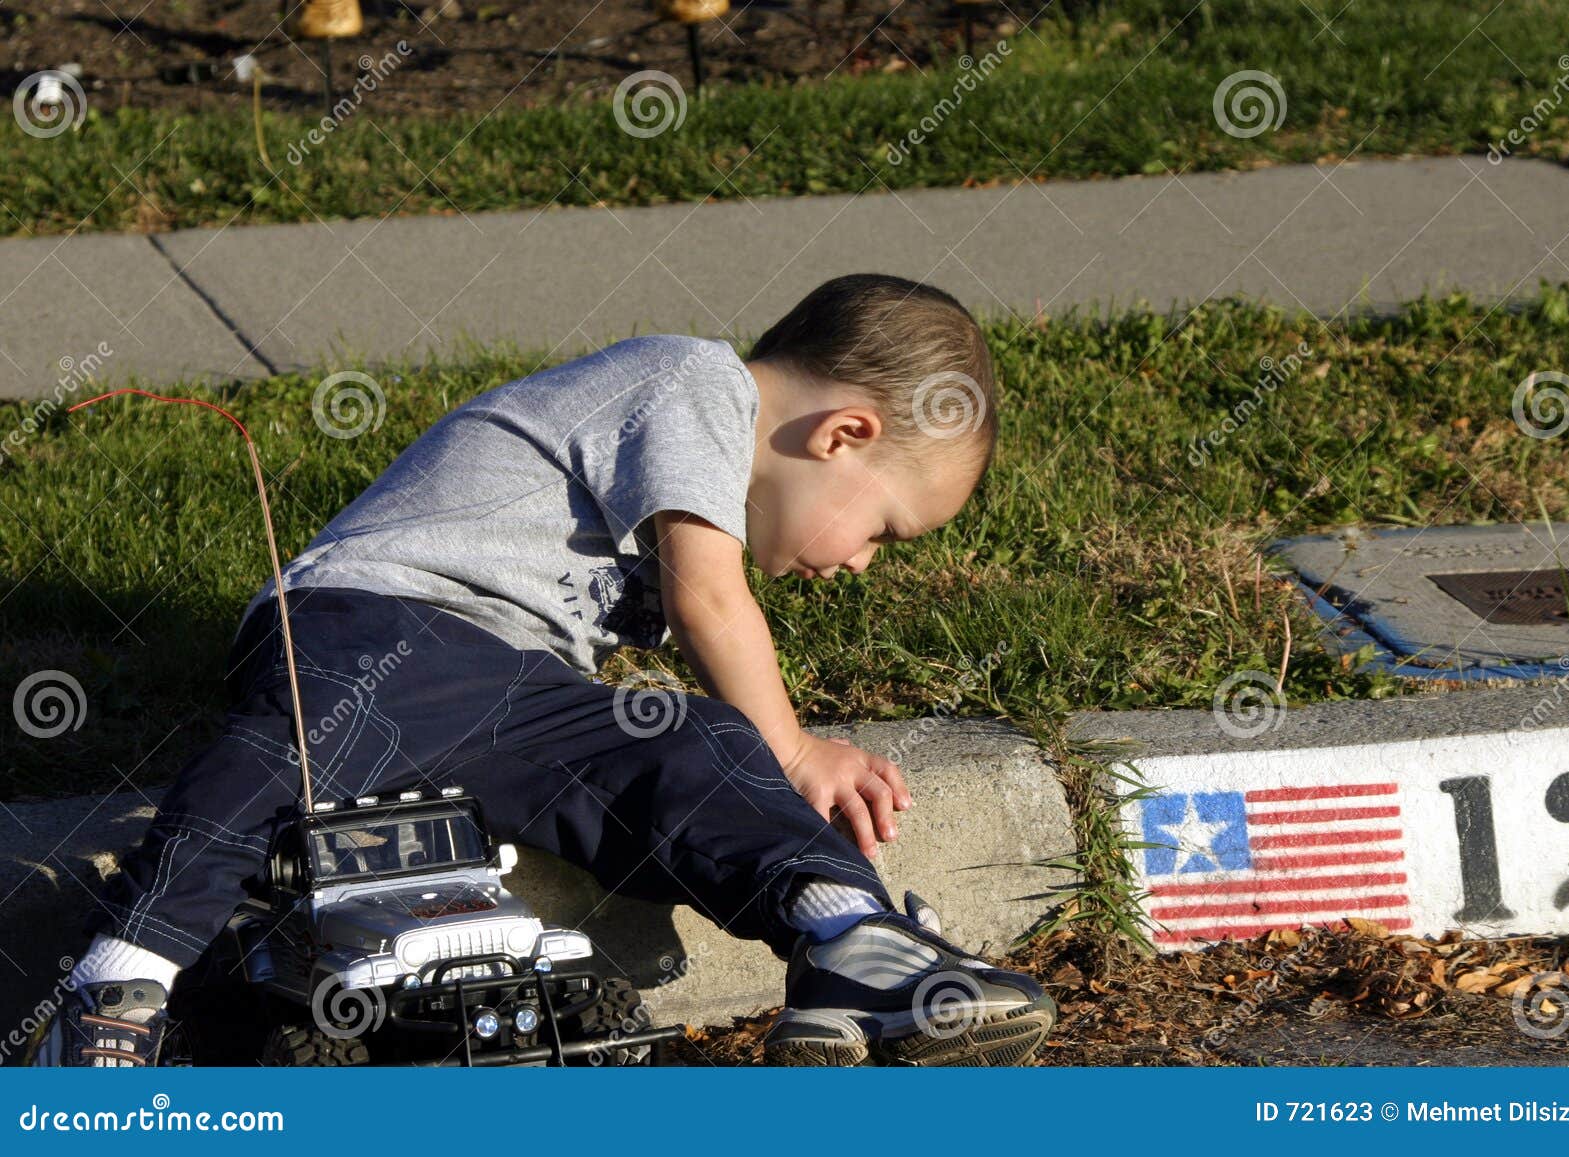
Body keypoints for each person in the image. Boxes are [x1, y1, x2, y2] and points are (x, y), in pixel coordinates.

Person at [27, 272, 1056, 1068]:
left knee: (693, 743)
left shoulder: (704, 443)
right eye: (883, 527)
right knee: (301, 741)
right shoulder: (695, 378)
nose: (861, 565)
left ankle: (845, 938)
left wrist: (751, 749)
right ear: (844, 434)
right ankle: (116, 986)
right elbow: (708, 598)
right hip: (384, 620)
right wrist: (790, 745)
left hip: (520, 689)